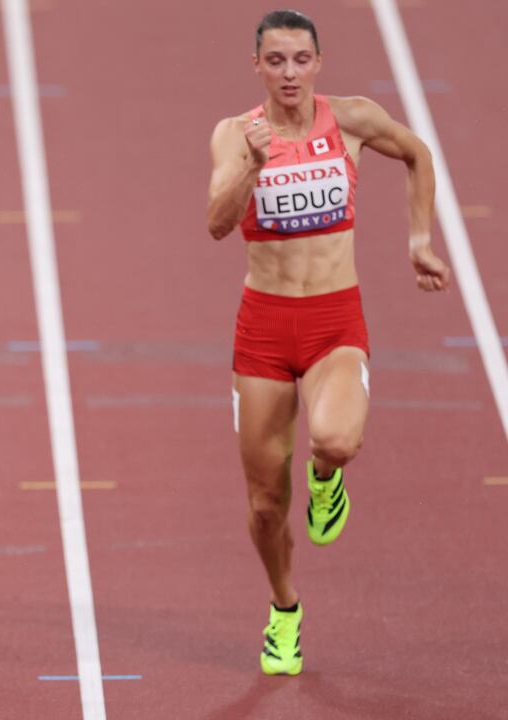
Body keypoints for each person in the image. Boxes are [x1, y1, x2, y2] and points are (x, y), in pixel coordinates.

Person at [206, 9, 450, 675]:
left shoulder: (352, 119)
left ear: (318, 62)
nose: (289, 72)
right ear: (257, 66)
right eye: (276, 60)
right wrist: (251, 167)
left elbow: (418, 153)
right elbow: (216, 224)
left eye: (300, 59)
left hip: (334, 321)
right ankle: (284, 608)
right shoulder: (236, 134)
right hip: (262, 328)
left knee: (337, 440)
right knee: (262, 505)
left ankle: (326, 480)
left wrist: (420, 239)